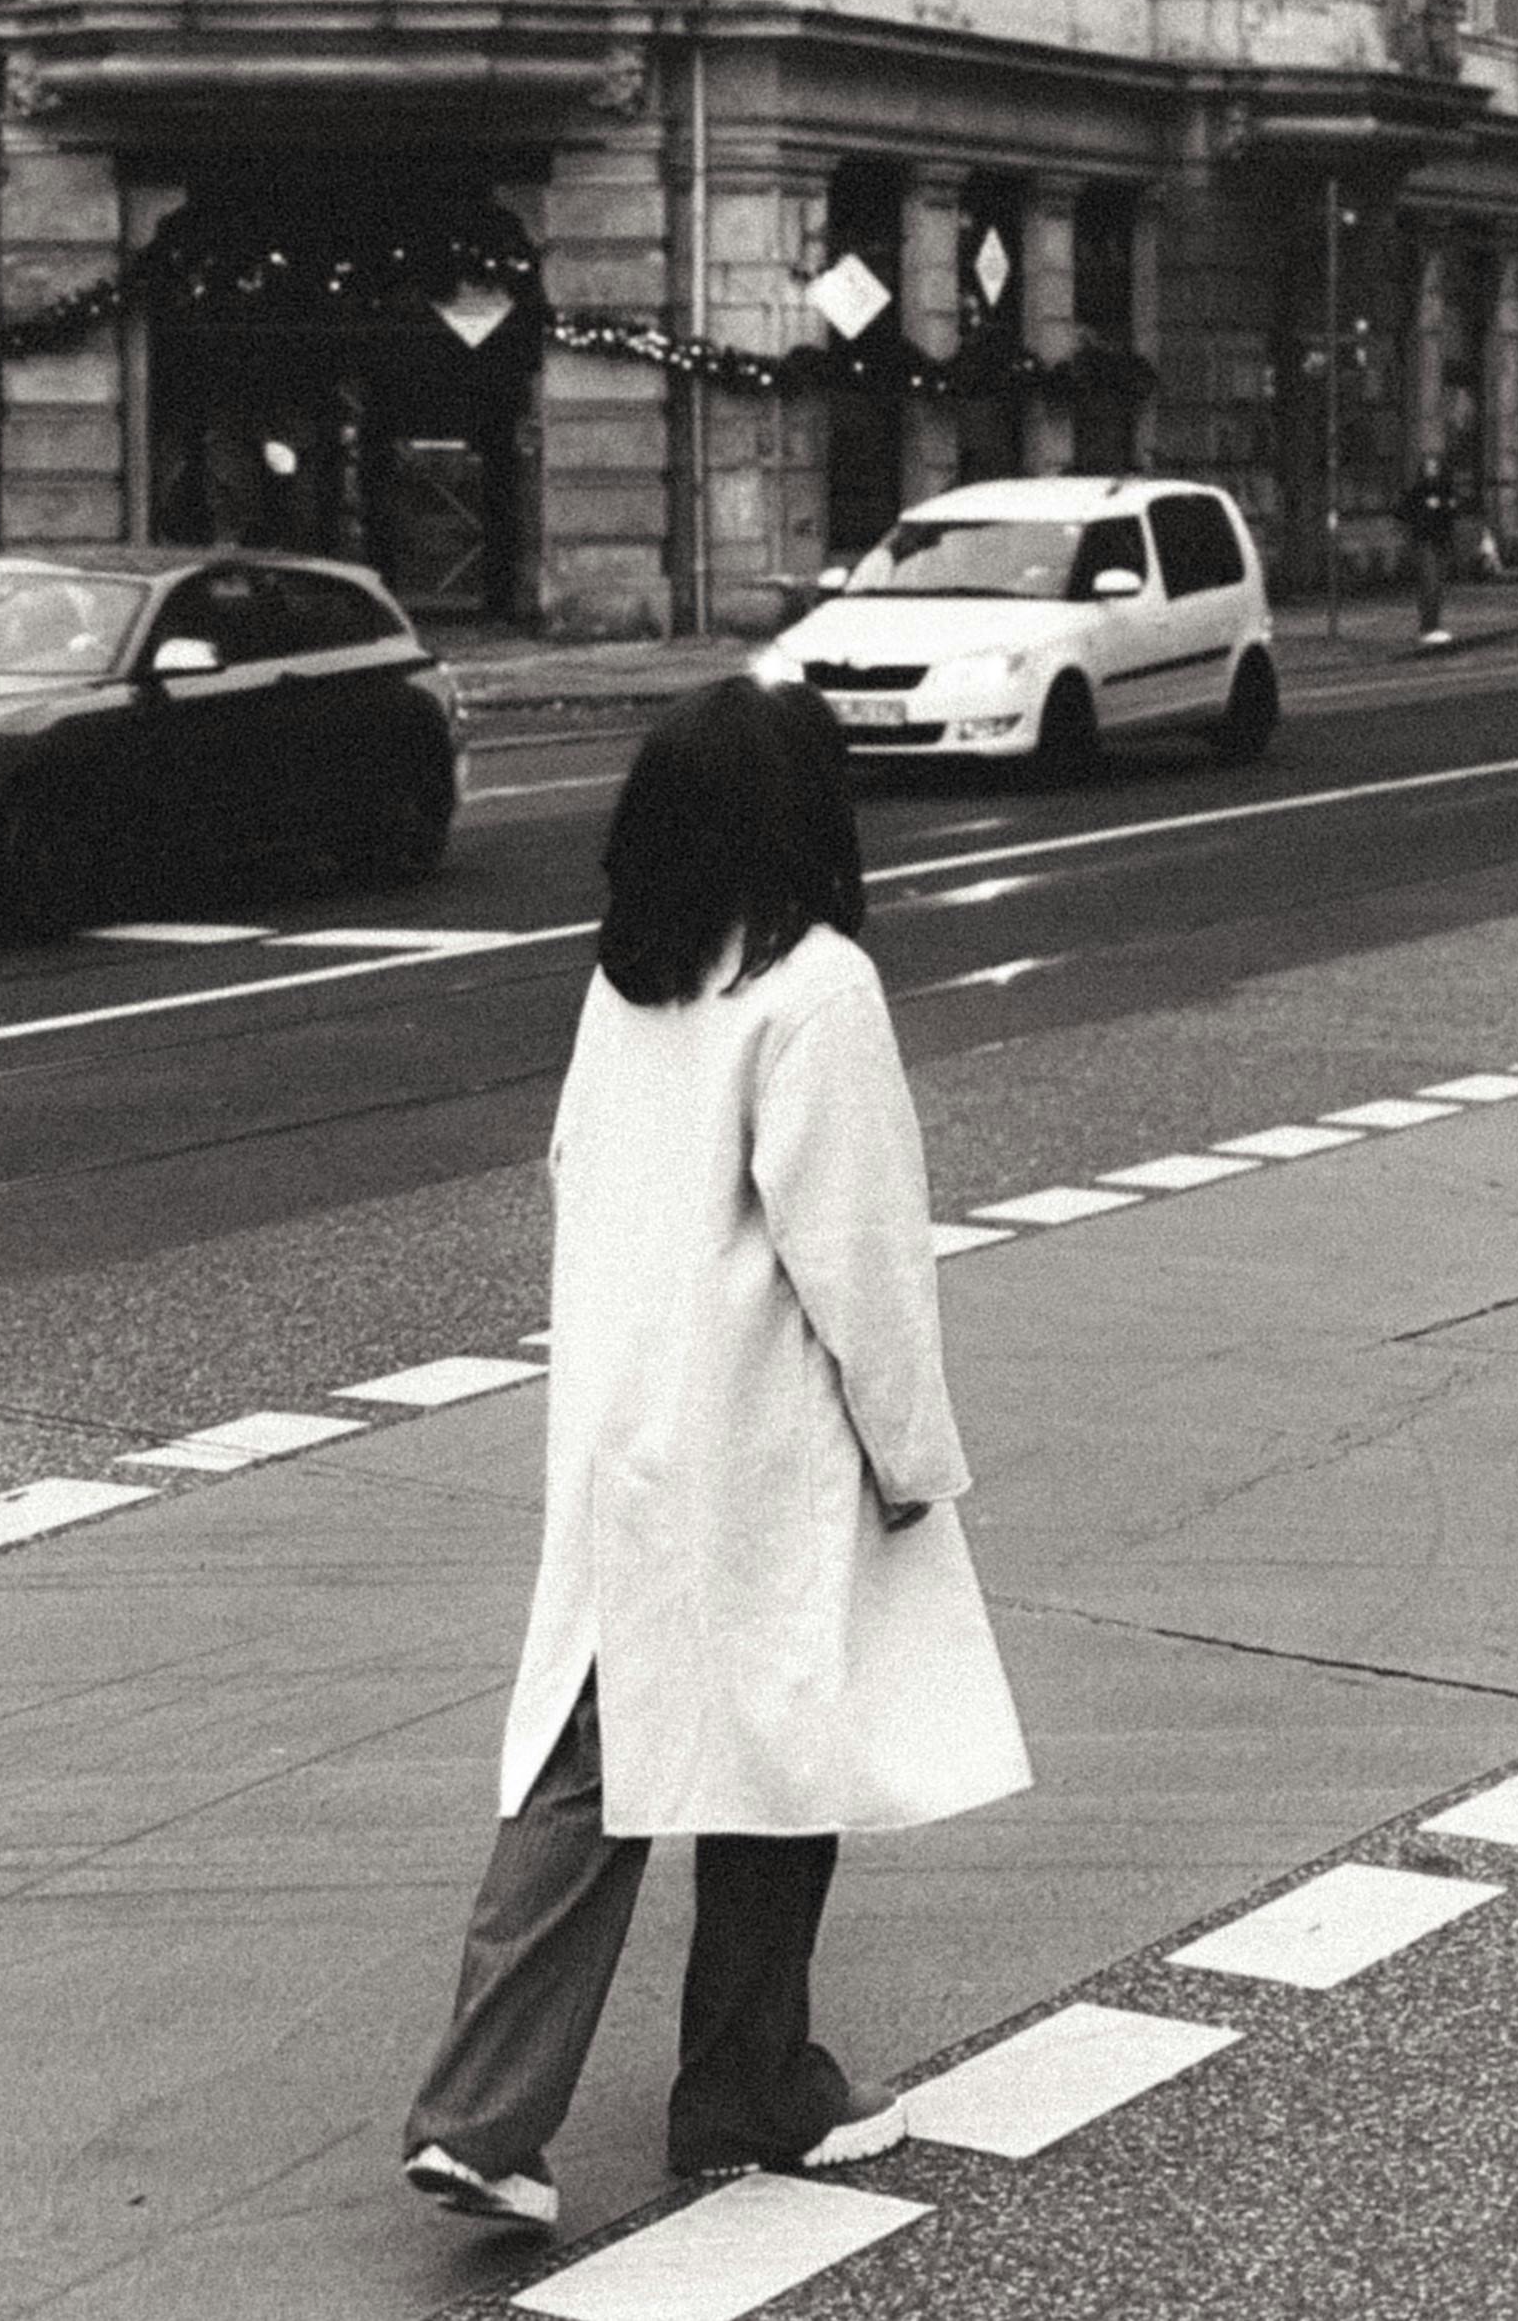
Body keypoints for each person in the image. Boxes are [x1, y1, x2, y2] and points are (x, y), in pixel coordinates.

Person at [402, 676, 1030, 2238]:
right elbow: (861, 1254)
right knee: (779, 1746)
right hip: (760, 1439)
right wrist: (912, 1451)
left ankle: (483, 2115)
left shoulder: (629, 983)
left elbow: (574, 1171)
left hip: (624, 1423)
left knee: (585, 1766)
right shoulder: (815, 987)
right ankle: (745, 2082)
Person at [1398, 448, 1461, 648]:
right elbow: (1404, 512)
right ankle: (1427, 627)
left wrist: (1447, 505)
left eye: (1435, 466)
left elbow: (1453, 511)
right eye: (1429, 467)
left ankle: (1434, 625)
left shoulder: (1445, 488)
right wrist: (1426, 507)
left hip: (1441, 541)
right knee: (1429, 584)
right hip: (1425, 541)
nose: (1432, 470)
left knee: (1438, 586)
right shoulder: (1419, 489)